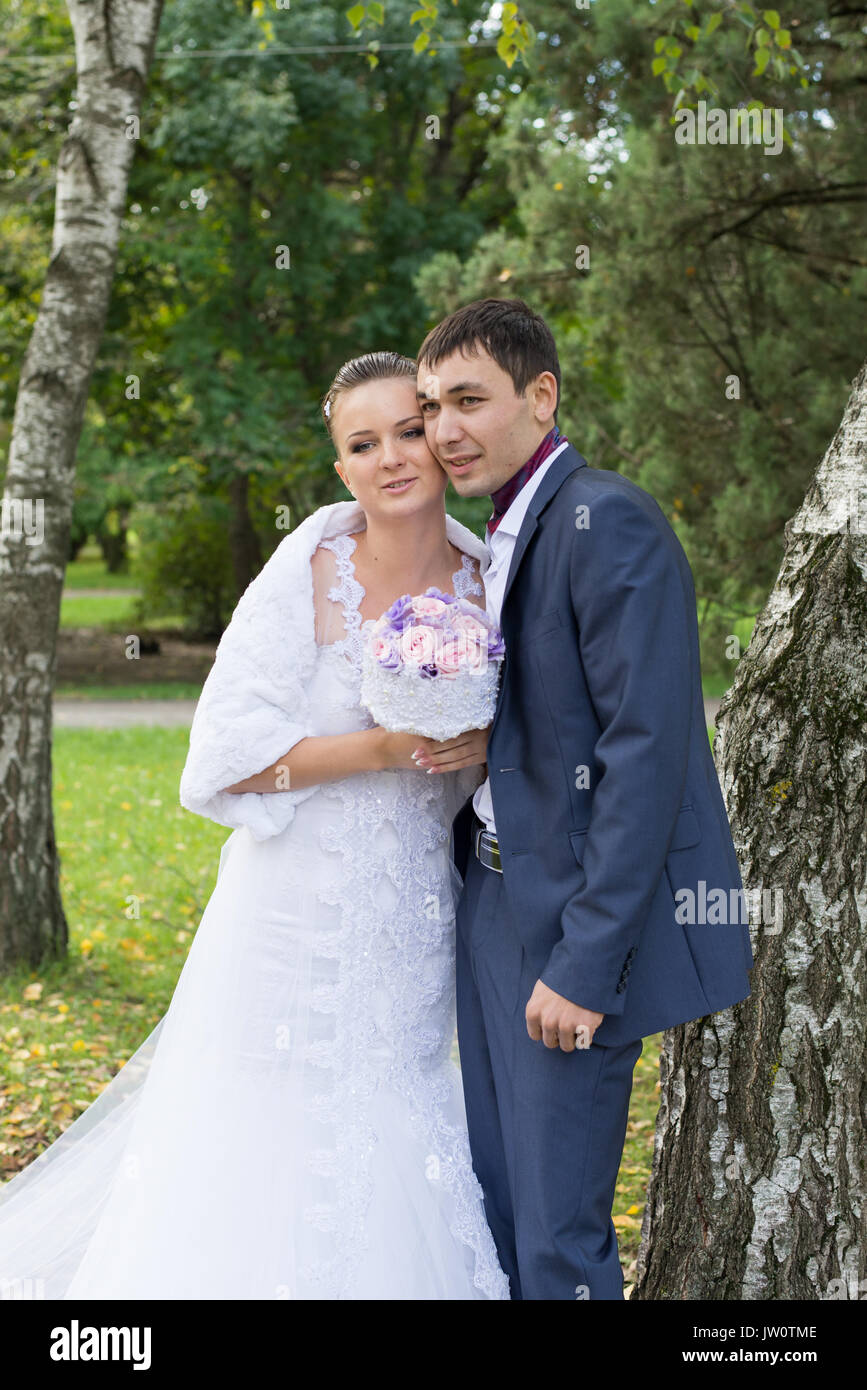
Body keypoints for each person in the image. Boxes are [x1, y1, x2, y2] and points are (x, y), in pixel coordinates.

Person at [0, 351, 509, 1301]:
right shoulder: (310, 569)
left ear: (442, 436)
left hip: (412, 913)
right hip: (288, 906)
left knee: (393, 1102)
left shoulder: (491, 575)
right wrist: (381, 748)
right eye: (363, 444)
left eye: (408, 430)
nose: (391, 457)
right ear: (342, 468)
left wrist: (475, 740)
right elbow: (222, 760)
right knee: (270, 1108)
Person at [415, 298, 754, 1301]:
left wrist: (587, 963)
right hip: (489, 900)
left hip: (568, 931)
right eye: (432, 405)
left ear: (541, 396)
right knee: (500, 1210)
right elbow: (555, 710)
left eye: (469, 400)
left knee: (560, 1240)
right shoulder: (502, 531)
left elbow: (649, 753)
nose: (443, 430)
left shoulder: (612, 519)